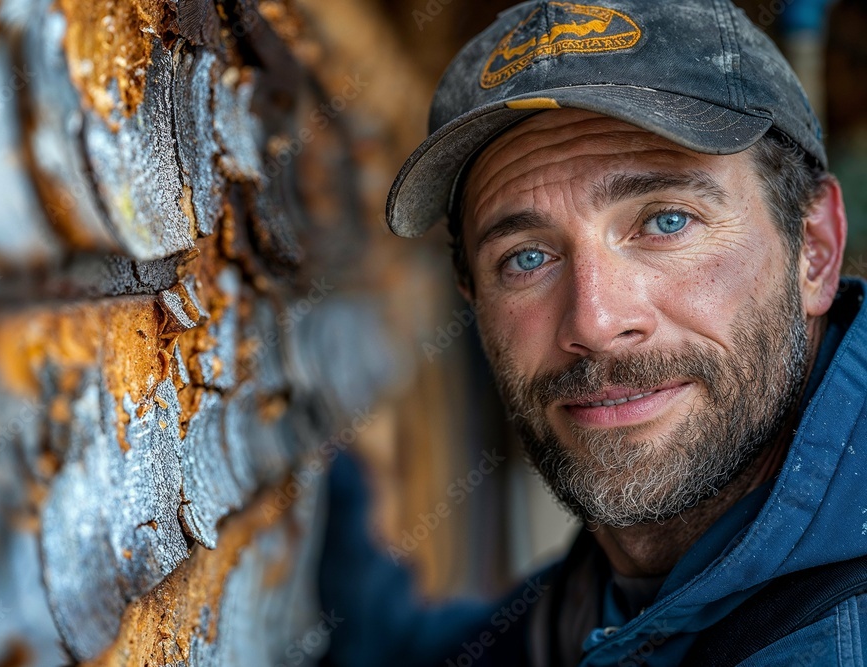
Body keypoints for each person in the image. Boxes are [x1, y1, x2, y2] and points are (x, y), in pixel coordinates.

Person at [318, 0, 867, 665]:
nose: (596, 323)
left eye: (666, 222)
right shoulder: (620, 599)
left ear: (814, 248)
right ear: (472, 297)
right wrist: (316, 466)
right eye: (526, 257)